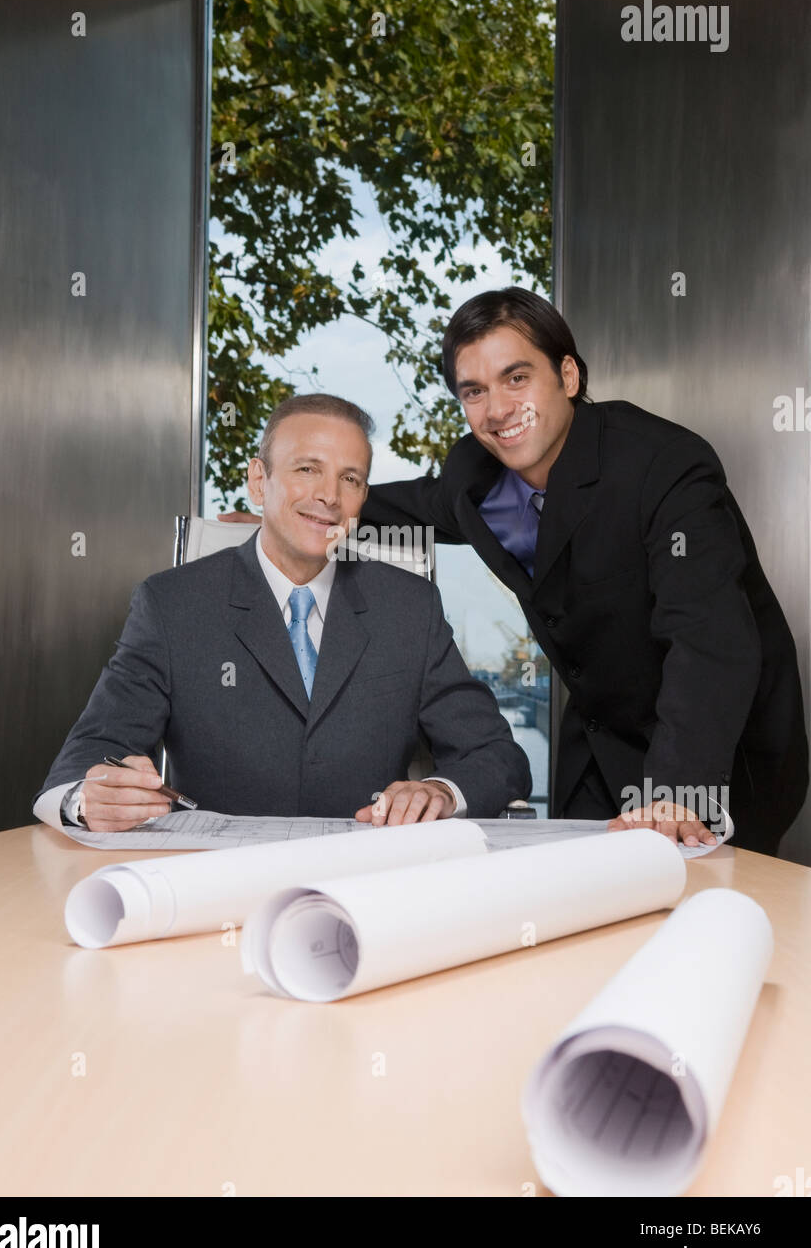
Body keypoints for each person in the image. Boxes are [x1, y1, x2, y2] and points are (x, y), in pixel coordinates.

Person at [222, 290, 809, 855]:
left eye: (517, 378)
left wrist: (678, 792)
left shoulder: (665, 467)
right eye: (473, 391)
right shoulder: (473, 476)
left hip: (717, 748)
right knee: (584, 917)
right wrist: (303, 507)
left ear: (569, 377)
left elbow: (709, 642)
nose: (498, 409)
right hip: (602, 741)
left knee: (714, 921)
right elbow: (415, 506)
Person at [33, 394, 532, 832]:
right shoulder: (171, 605)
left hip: (368, 887)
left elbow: (495, 756)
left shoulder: (409, 607)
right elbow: (87, 756)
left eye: (351, 478)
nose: (329, 497)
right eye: (307, 469)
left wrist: (442, 791)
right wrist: (87, 801)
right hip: (212, 886)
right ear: (258, 480)